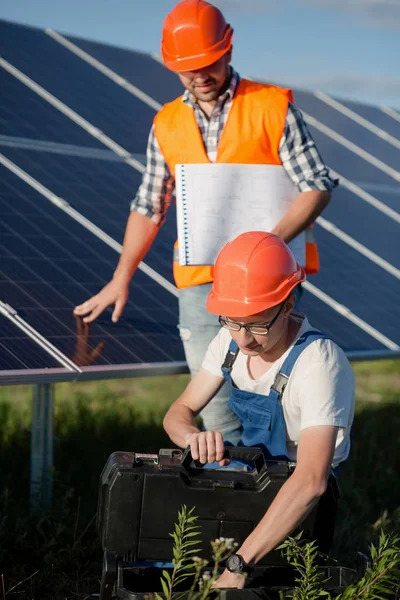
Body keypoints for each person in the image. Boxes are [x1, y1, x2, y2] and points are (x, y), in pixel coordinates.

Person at [73, 0, 338, 444]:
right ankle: (234, 496)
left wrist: (265, 246)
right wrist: (121, 278)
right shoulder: (167, 123)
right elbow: (148, 205)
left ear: (228, 48)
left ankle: (284, 486)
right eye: (187, 68)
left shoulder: (273, 108)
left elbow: (317, 185)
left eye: (208, 63)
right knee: (214, 407)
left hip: (269, 283)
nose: (200, 75)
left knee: (277, 399)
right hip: (200, 283)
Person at [163, 231, 355, 589]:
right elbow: (179, 411)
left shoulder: (320, 363)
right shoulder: (230, 341)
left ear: (288, 304)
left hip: (299, 502)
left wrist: (237, 567)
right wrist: (192, 436)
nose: (244, 339)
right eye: (232, 321)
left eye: (257, 324)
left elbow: (312, 480)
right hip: (251, 479)